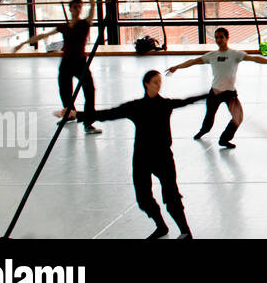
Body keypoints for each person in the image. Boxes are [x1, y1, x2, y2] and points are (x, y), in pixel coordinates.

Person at [82, 70, 207, 238]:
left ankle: (185, 232)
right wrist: (79, 114)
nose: (159, 84)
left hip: (163, 157)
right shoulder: (136, 107)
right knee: (143, 198)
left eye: (160, 81)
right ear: (146, 83)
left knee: (171, 198)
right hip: (142, 158)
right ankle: (161, 227)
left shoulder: (165, 104)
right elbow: (108, 114)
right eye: (155, 81)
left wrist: (209, 94)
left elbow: (186, 101)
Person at [167, 27, 267, 149]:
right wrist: (177, 67)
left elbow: (254, 59)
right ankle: (203, 131)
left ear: (227, 38)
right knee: (209, 120)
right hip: (215, 93)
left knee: (238, 118)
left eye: (221, 37)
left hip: (230, 94)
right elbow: (193, 61)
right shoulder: (212, 55)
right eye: (216, 37)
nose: (218, 40)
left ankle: (224, 140)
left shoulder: (235, 54)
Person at [14, 0, 102, 135]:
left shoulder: (85, 24)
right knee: (65, 90)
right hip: (66, 62)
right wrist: (23, 43)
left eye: (79, 7)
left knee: (89, 90)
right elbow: (44, 35)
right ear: (70, 9)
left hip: (80, 62)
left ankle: (88, 123)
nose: (77, 9)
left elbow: (93, 6)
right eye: (75, 7)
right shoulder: (64, 27)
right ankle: (69, 114)